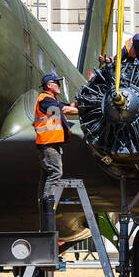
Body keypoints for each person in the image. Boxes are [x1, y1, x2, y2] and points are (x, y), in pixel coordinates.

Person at [34, 73, 79, 220]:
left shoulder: (50, 101)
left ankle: (43, 206)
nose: (59, 85)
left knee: (46, 176)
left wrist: (78, 104)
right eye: (56, 83)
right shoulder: (45, 100)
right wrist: (83, 111)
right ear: (49, 85)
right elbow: (65, 110)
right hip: (48, 145)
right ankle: (48, 207)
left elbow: (67, 107)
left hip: (48, 145)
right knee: (55, 173)